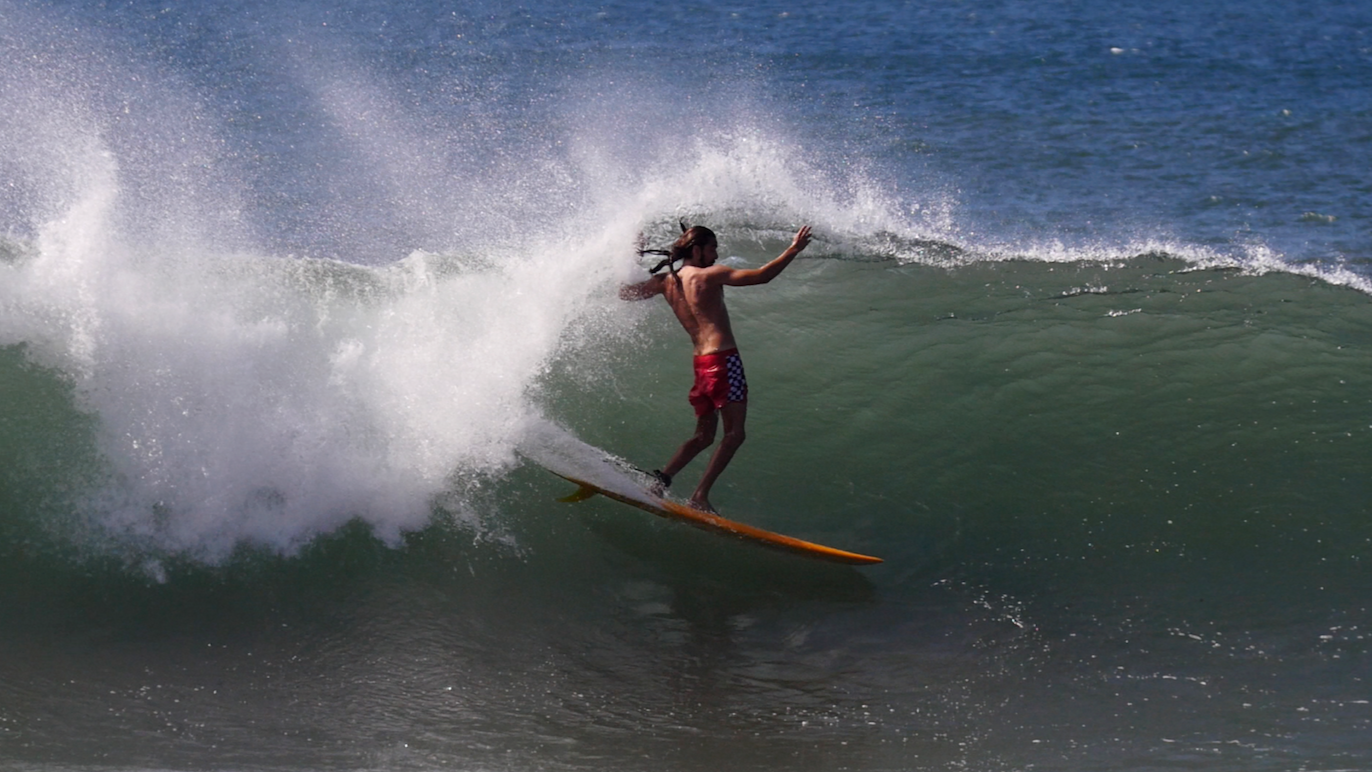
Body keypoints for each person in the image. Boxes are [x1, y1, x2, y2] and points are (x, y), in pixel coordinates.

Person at [620, 224, 813, 512]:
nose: (716, 254)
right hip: (724, 361)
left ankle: (659, 484)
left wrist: (630, 257)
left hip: (701, 364)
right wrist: (793, 249)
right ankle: (699, 495)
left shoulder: (665, 282)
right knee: (735, 434)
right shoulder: (710, 275)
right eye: (712, 248)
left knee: (704, 436)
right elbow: (762, 276)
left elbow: (626, 293)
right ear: (696, 250)